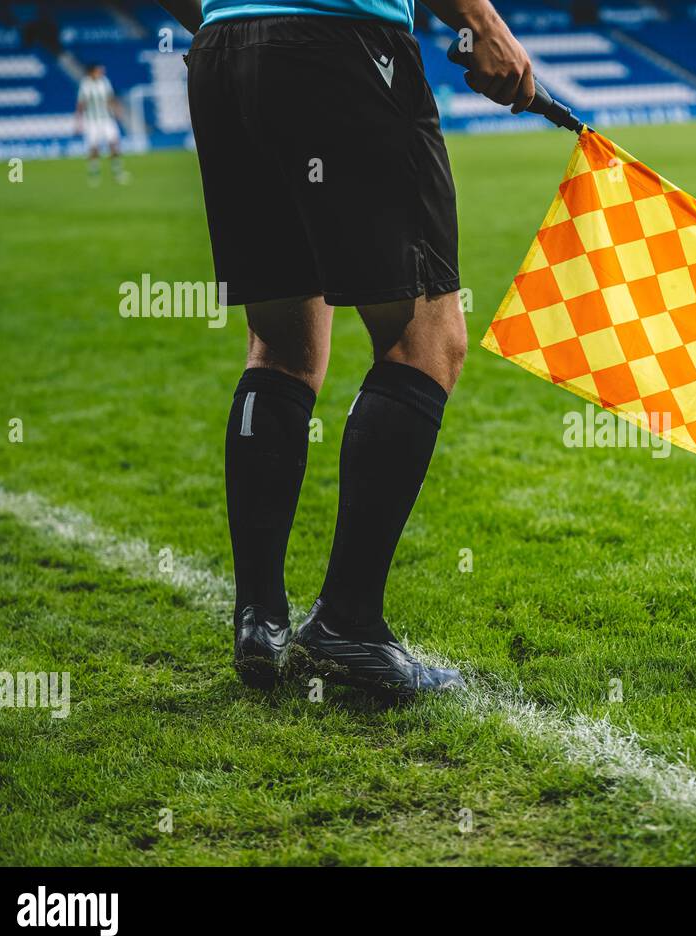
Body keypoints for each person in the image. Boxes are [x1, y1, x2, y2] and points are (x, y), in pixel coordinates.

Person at [157, 0, 536, 700]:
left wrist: (220, 23)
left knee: (280, 343)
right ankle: (348, 624)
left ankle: (259, 615)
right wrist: (483, 21)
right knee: (429, 337)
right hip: (342, 41)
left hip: (225, 54)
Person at [75, 64, 129, 185]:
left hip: (107, 119)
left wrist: (117, 110)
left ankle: (118, 172)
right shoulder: (85, 84)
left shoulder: (104, 82)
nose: (101, 72)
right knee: (94, 147)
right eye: (99, 71)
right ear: (92, 72)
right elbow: (81, 103)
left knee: (114, 143)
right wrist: (78, 121)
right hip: (92, 121)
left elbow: (110, 98)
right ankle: (94, 174)